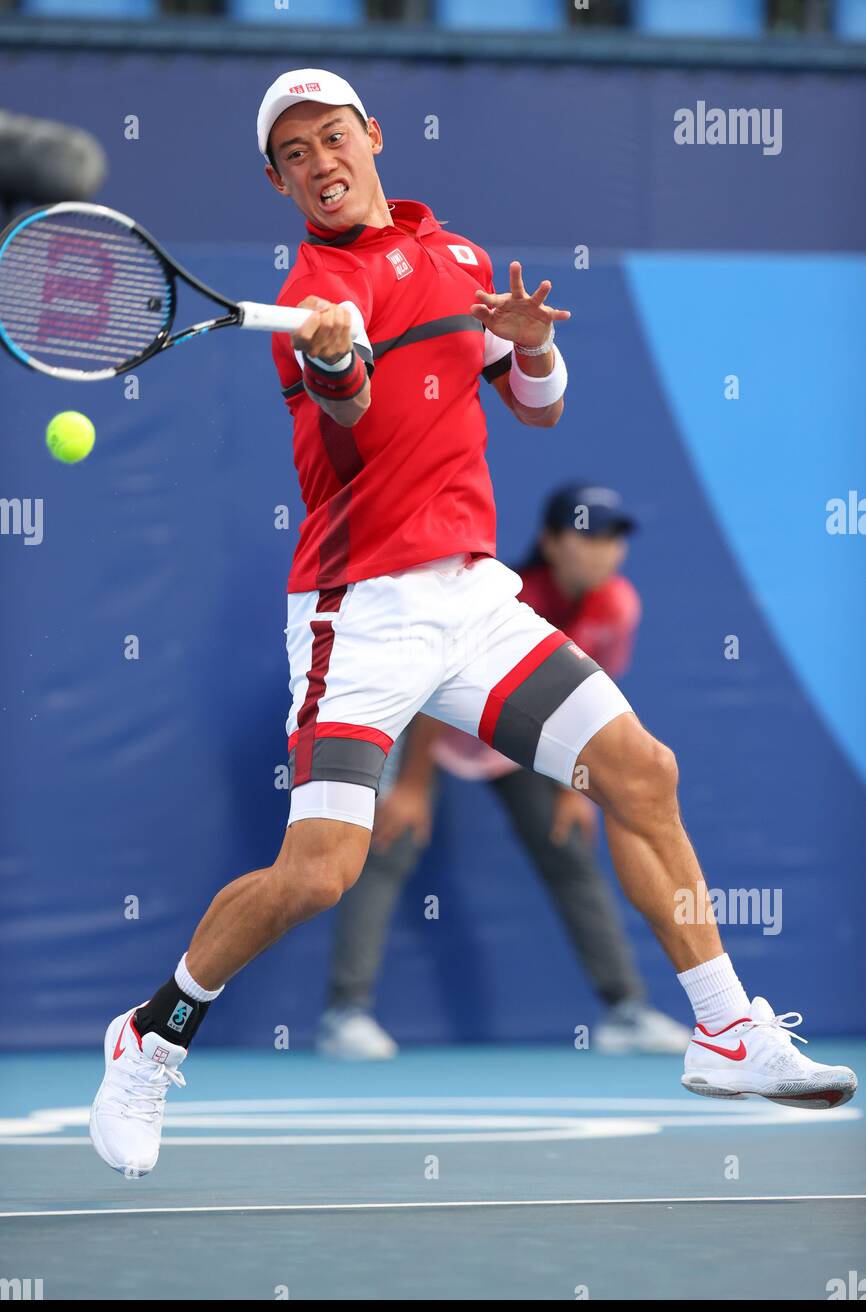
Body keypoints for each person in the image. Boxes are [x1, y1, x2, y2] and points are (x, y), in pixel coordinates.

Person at [90, 68, 857, 1179]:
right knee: (317, 872)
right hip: (360, 612)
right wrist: (336, 358)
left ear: (372, 137)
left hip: (473, 597)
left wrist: (531, 343)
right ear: (276, 180)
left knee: (640, 771)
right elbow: (347, 438)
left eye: (331, 136)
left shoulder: (456, 259)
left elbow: (537, 406)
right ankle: (151, 1033)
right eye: (293, 153)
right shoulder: (308, 301)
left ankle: (725, 1027)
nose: (319, 162)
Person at [318, 483, 690, 1060]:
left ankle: (626, 1011)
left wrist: (578, 788)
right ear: (551, 542)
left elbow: (596, 707)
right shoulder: (511, 601)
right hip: (432, 719)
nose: (605, 551)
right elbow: (433, 692)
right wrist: (413, 784)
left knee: (566, 848)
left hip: (514, 736)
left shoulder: (619, 606)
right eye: (589, 535)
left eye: (615, 539)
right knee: (386, 845)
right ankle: (345, 1014)